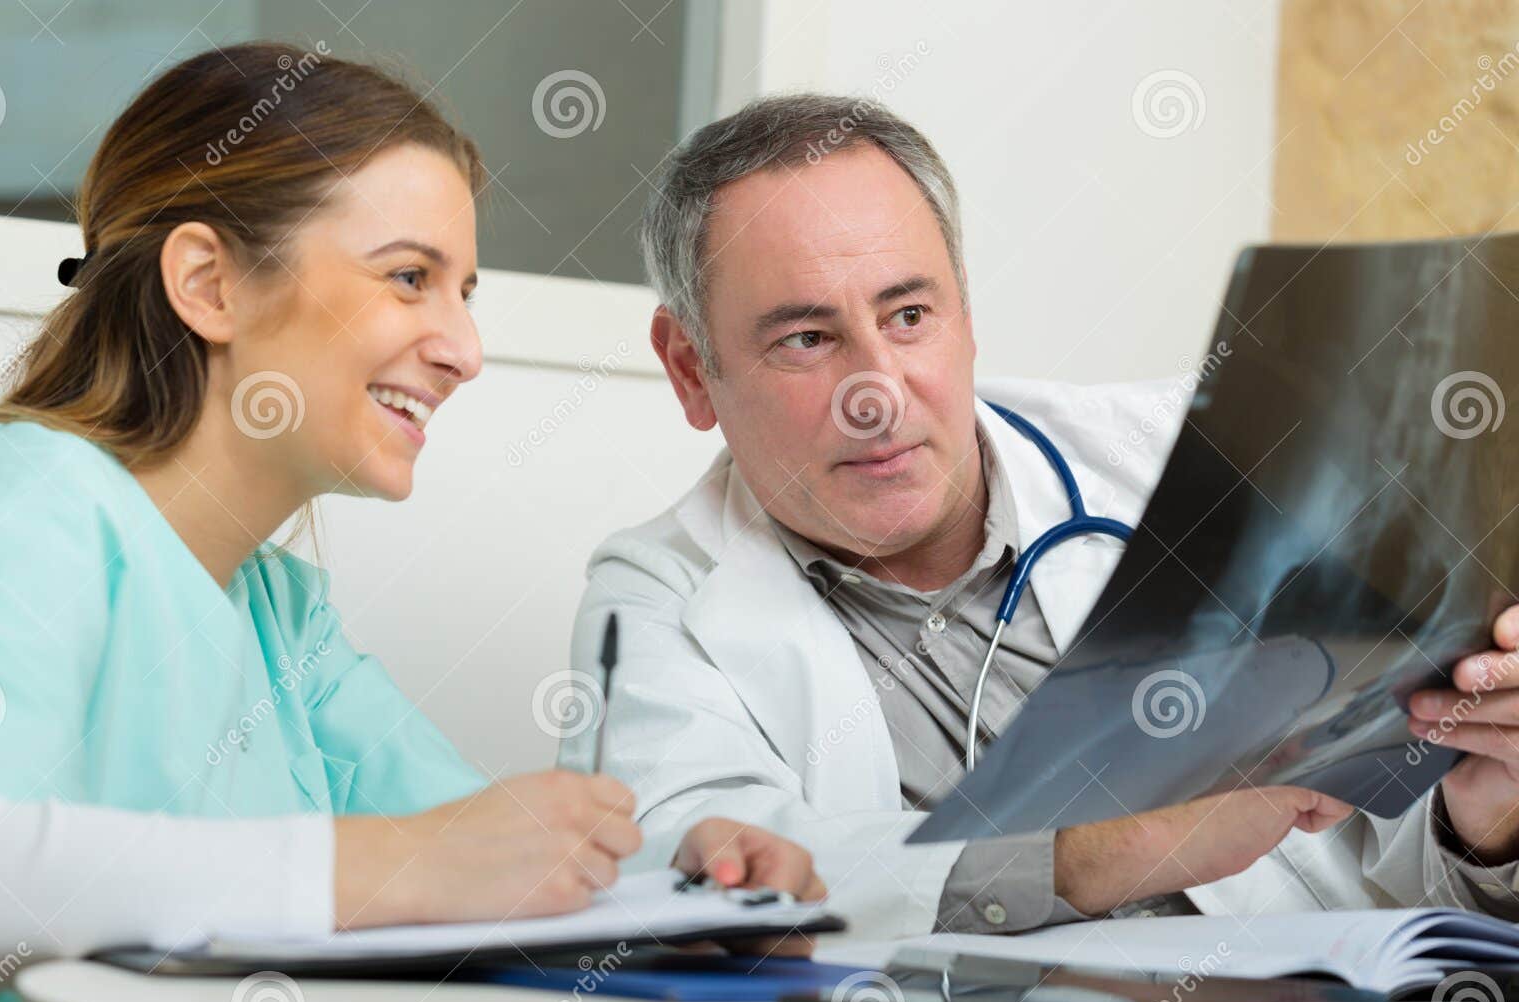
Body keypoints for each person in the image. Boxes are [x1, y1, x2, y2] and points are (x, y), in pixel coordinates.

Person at [0, 44, 820, 1002]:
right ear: (209, 284)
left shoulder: (282, 617)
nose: (464, 349)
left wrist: (680, 886)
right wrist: (381, 866)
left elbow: (473, 853)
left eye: (463, 291)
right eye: (408, 277)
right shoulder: (25, 502)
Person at [562, 93, 1519, 940]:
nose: (877, 394)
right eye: (807, 338)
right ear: (691, 368)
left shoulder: (1206, 458)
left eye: (908, 316)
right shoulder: (660, 597)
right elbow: (688, 874)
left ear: (966, 314)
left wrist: (1486, 819)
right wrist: (1099, 850)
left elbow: (1410, 890)